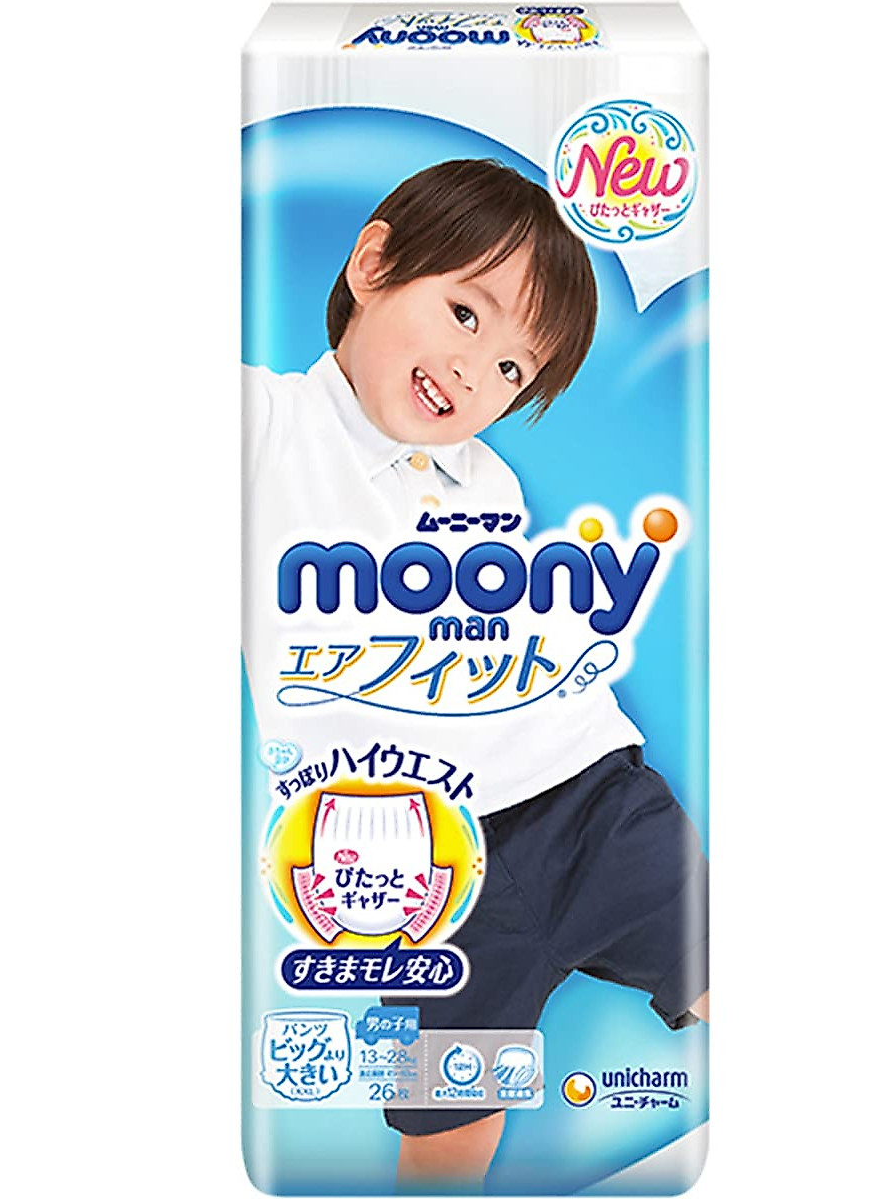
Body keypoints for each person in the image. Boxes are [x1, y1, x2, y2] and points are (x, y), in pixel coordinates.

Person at [242, 159, 708, 1190]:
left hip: (591, 803)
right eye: (464, 313)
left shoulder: (485, 480)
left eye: (510, 370)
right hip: (422, 868)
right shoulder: (268, 425)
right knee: (448, 1122)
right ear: (373, 264)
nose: (473, 371)